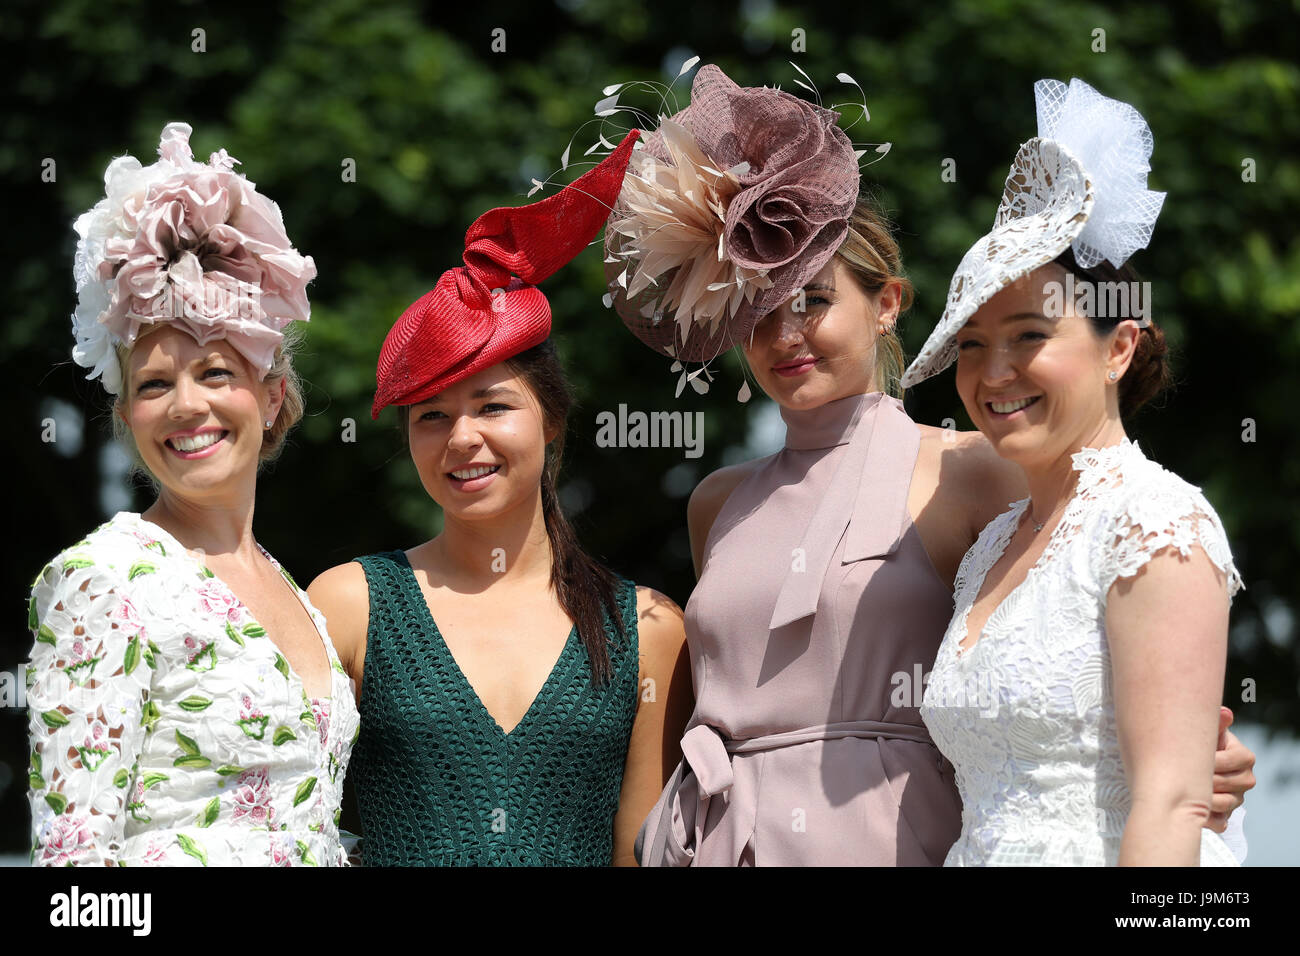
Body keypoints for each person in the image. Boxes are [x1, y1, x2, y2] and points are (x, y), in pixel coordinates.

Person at [598, 64, 1255, 865]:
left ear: (886, 304)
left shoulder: (978, 469)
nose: (784, 335)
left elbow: (1100, 612)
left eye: (810, 300)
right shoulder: (717, 502)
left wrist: (1183, 773)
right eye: (757, 311)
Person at [307, 130, 693, 866]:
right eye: (431, 417)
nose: (462, 439)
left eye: (492, 407)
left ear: (551, 420)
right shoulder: (351, 604)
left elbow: (640, 855)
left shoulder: (648, 629)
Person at [910, 78, 1244, 865]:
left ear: (1117, 349)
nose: (994, 374)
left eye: (1028, 336)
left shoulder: (1155, 518)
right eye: (970, 345)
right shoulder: (989, 547)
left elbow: (1173, 800)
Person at [27, 123, 355, 866]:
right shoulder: (104, 578)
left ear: (271, 399)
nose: (185, 405)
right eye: (153, 384)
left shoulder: (292, 589)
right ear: (125, 416)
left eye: (214, 373)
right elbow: (74, 871)